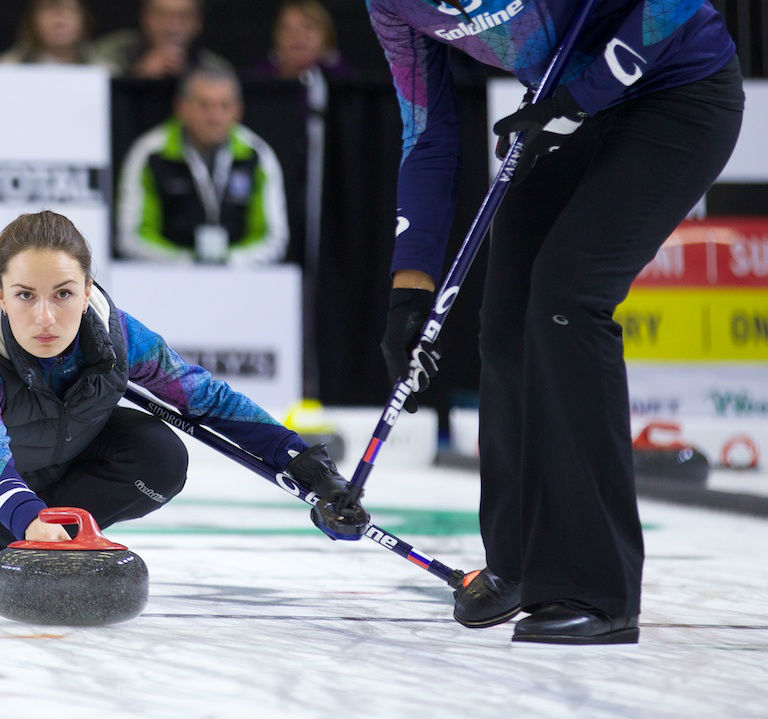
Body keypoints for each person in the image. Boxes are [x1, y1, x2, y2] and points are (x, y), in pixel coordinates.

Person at [369, 0, 743, 644]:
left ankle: (596, 589)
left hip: (676, 94)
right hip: (566, 113)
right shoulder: (392, 7)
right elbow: (426, 134)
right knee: (508, 325)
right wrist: (411, 288)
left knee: (568, 299)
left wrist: (582, 95)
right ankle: (520, 566)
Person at [0, 210, 351, 594]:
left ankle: (5, 538)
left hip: (65, 445)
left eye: (63, 294)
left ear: (88, 291)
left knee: (160, 458)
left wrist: (301, 460)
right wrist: (28, 518)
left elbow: (202, 397)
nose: (45, 318)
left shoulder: (115, 335)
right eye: (25, 296)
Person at [117, 65, 289, 264]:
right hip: (166, 278)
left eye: (224, 106)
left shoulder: (257, 155)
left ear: (238, 110)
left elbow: (273, 237)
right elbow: (131, 237)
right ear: (181, 107)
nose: (214, 116)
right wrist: (186, 263)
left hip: (241, 278)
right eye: (204, 105)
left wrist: (231, 261)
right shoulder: (150, 153)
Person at [91, 0, 230, 79]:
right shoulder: (108, 52)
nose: (173, 25)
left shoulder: (217, 69)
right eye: (162, 14)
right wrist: (137, 75)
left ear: (197, 23)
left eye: (183, 16)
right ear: (145, 17)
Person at [244, 0, 356, 82]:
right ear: (276, 38)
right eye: (287, 29)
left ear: (325, 36)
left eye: (307, 27)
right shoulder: (257, 81)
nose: (297, 36)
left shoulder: (346, 83)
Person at [0, 0, 100, 66]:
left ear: (84, 20)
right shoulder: (8, 68)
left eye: (70, 10)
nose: (59, 21)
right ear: (32, 20)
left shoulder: (104, 72)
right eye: (49, 10)